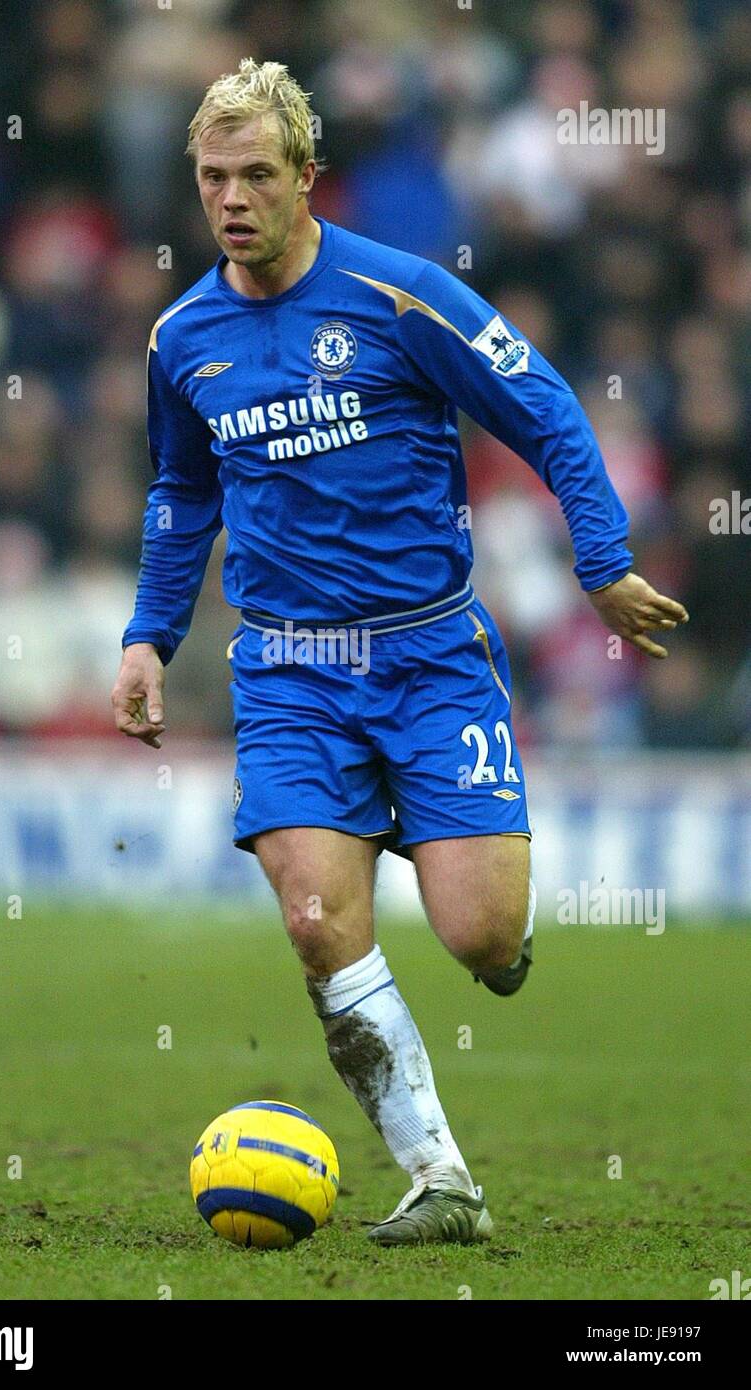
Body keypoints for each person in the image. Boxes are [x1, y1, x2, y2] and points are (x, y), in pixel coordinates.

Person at [112, 59, 688, 1245]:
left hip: (429, 657)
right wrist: (147, 636)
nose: (229, 198)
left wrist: (599, 562)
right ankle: (441, 1179)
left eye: (255, 175)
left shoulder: (403, 296)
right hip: (286, 673)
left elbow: (546, 408)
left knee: (478, 933)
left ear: (306, 179)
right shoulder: (181, 339)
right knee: (319, 919)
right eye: (212, 177)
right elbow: (179, 493)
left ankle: (494, 934)